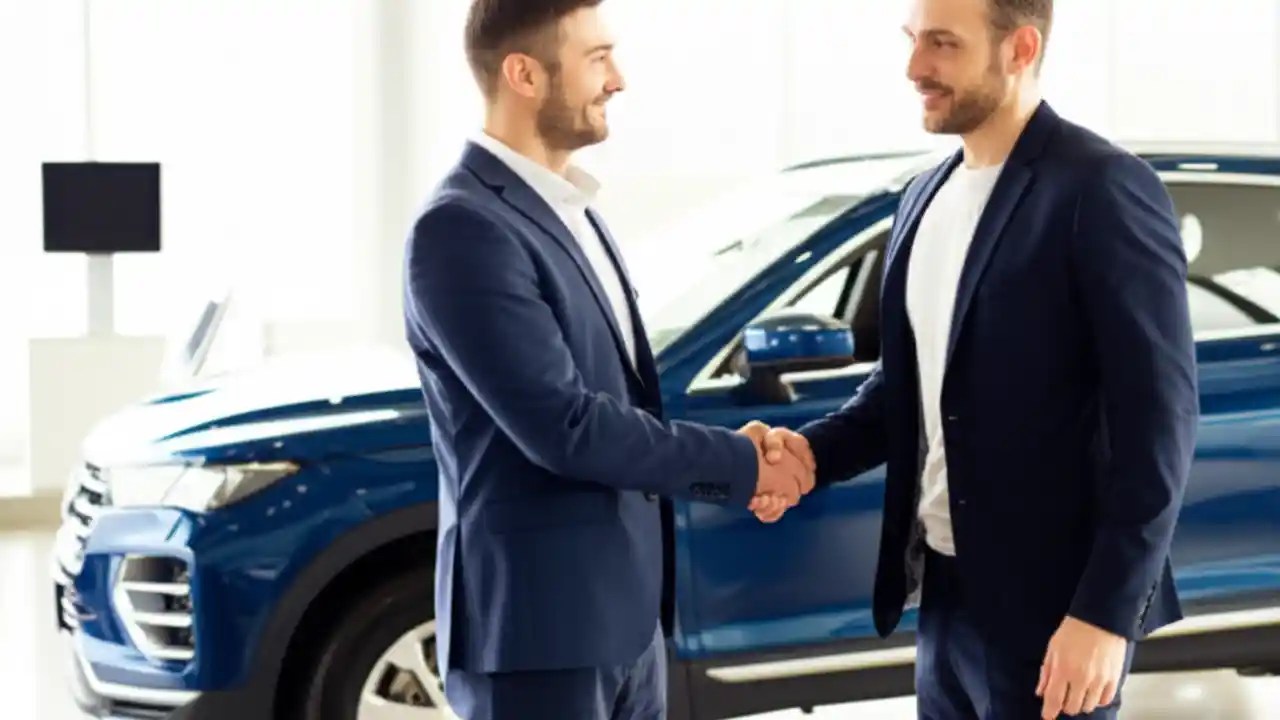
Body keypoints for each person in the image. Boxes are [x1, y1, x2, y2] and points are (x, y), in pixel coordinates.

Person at [755, 0, 1199, 718]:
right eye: (911, 40)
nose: (913, 68)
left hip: (1057, 611)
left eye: (941, 44)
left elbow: (1160, 422)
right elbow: (907, 389)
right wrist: (802, 458)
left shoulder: (1101, 189)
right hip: (945, 597)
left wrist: (1108, 615)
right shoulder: (922, 197)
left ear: (1019, 48)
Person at [401, 1, 813, 718]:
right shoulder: (462, 228)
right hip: (536, 637)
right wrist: (742, 467)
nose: (617, 79)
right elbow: (565, 427)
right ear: (524, 74)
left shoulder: (575, 211)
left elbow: (618, 405)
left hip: (623, 627)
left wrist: (734, 451)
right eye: (597, 57)